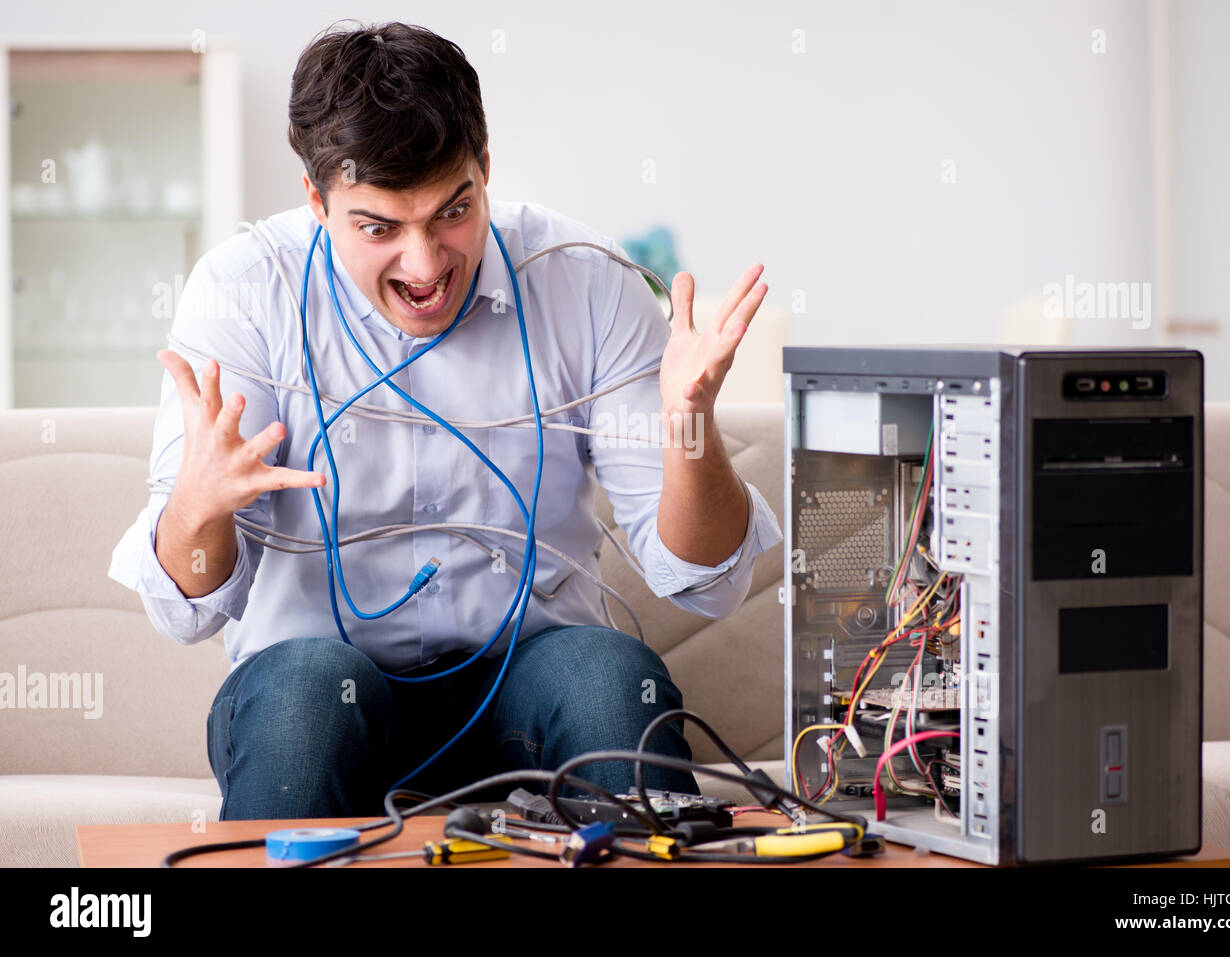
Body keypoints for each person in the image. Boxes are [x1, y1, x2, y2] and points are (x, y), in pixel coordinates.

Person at [108, 20, 782, 821]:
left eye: (452, 212)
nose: (426, 265)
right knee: (306, 694)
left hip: (530, 684)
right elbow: (181, 609)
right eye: (379, 228)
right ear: (317, 202)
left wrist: (689, 425)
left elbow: (705, 581)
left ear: (485, 166)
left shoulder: (583, 280)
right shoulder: (245, 293)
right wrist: (197, 507)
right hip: (325, 699)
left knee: (606, 675)